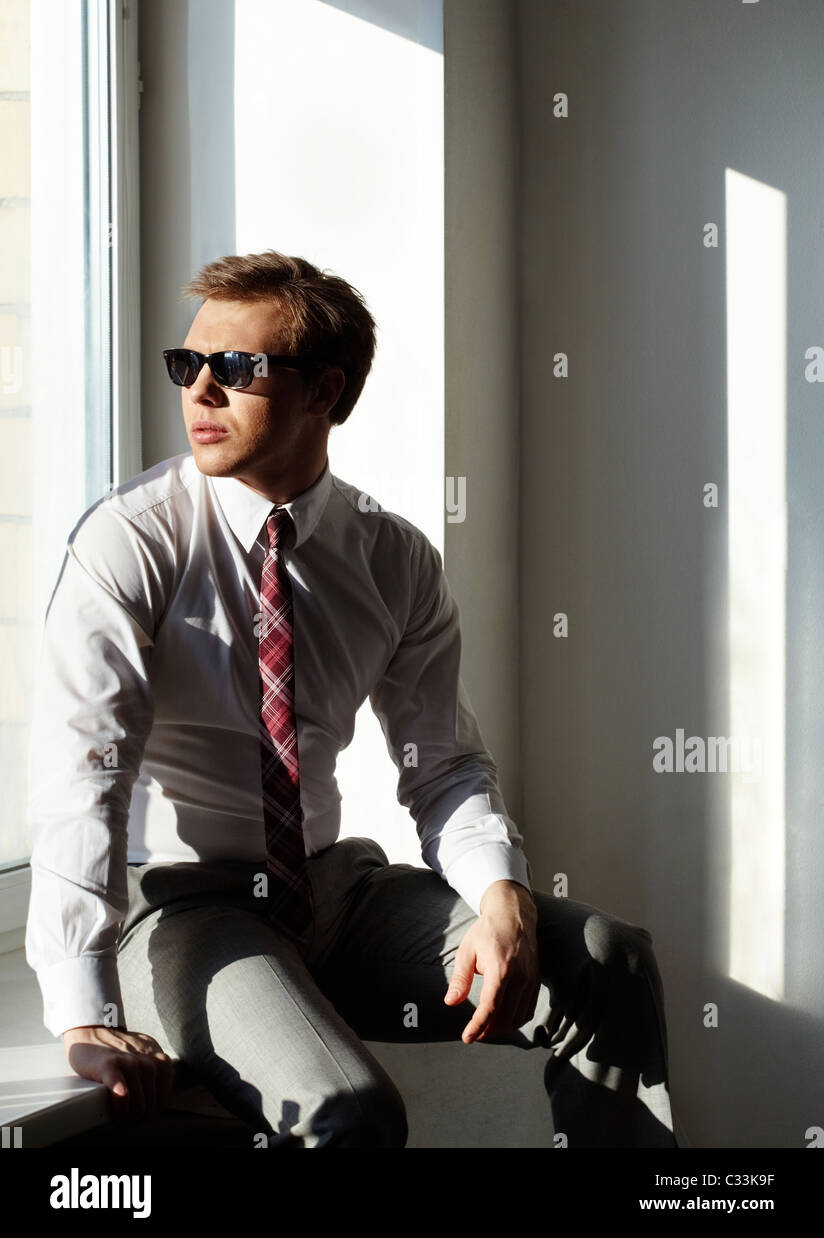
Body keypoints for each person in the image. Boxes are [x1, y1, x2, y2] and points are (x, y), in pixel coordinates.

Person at [25, 250, 678, 1148]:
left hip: (334, 891)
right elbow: (81, 778)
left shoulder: (391, 558)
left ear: (324, 393)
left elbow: (442, 764)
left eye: (237, 368)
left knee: (609, 961)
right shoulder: (128, 543)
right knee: (352, 1117)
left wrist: (501, 894)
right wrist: (80, 1010)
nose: (201, 392)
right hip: (183, 908)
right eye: (189, 365)